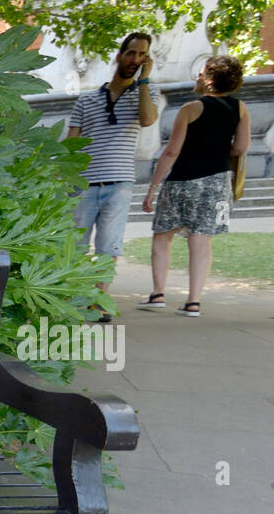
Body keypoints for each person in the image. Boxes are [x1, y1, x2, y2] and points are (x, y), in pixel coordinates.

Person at [139, 55, 250, 316]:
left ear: (210, 79)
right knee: (202, 240)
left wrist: (152, 188)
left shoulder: (190, 108)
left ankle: (157, 294)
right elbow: (241, 148)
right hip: (217, 182)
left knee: (163, 235)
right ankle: (193, 302)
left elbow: (171, 152)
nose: (197, 77)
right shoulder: (240, 108)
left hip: (182, 180)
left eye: (200, 74)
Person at [66, 33, 161, 320]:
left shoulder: (147, 94)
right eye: (131, 53)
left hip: (119, 183)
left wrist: (144, 80)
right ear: (119, 56)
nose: (135, 60)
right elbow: (72, 141)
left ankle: (98, 302)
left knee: (109, 245)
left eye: (142, 55)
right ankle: (71, 299)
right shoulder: (87, 100)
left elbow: (147, 119)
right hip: (83, 182)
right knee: (75, 244)